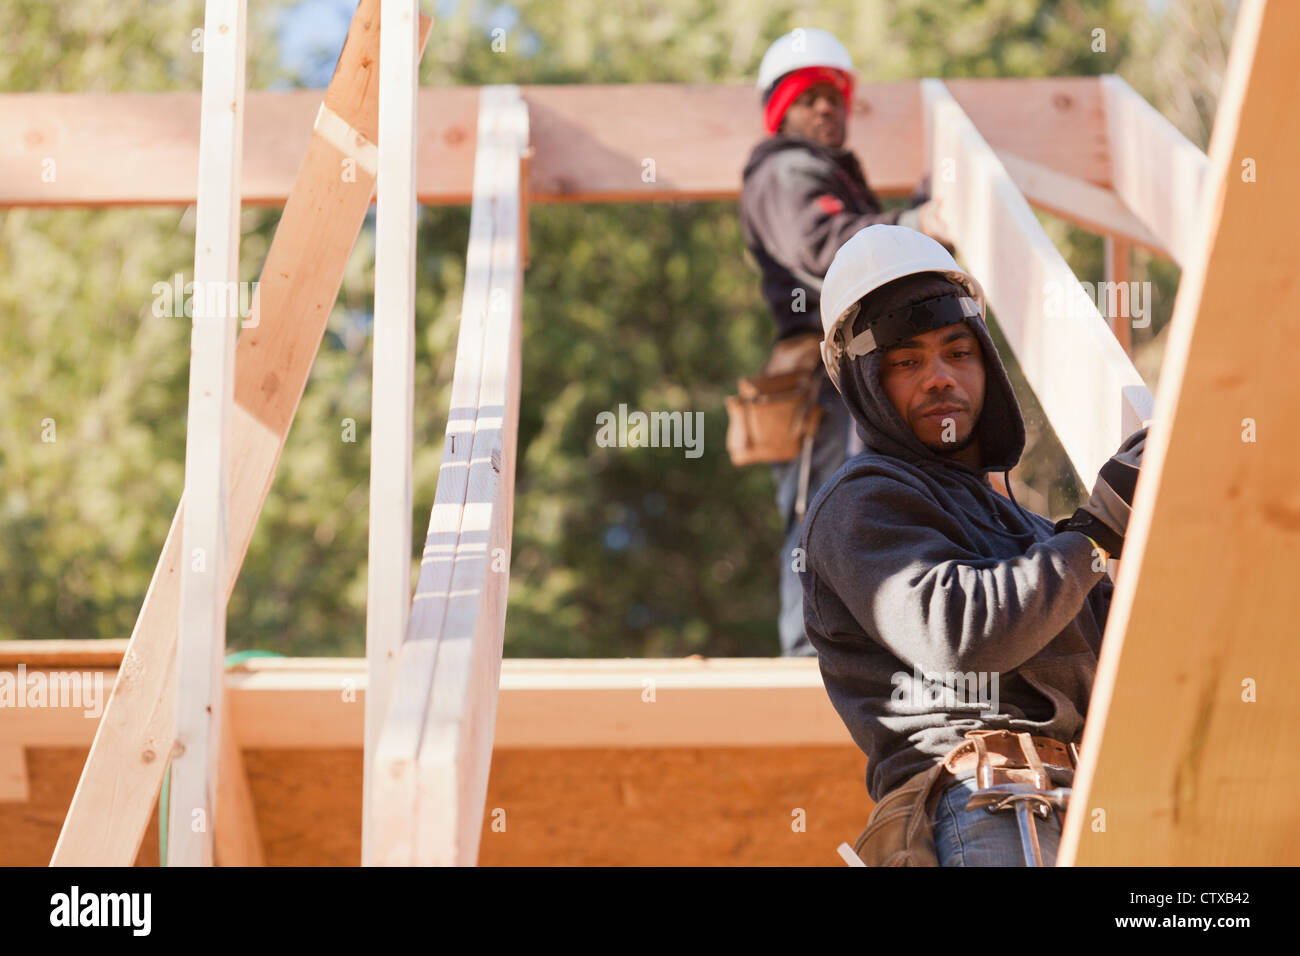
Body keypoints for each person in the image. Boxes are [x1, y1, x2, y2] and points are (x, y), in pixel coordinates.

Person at [799, 224, 1148, 865]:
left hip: (1093, 813)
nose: (939, 378)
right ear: (863, 383)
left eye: (958, 352)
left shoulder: (1035, 535)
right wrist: (1099, 531)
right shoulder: (861, 504)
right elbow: (961, 636)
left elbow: (1131, 670)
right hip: (990, 806)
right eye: (906, 361)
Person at [740, 28, 948, 657]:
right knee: (826, 508)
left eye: (835, 96)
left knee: (870, 506)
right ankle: (809, 658)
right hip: (822, 375)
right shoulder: (783, 171)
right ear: (782, 110)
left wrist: (918, 211)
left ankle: (865, 653)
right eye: (810, 98)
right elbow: (827, 249)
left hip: (857, 364)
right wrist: (915, 226)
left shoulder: (831, 176)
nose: (827, 107)